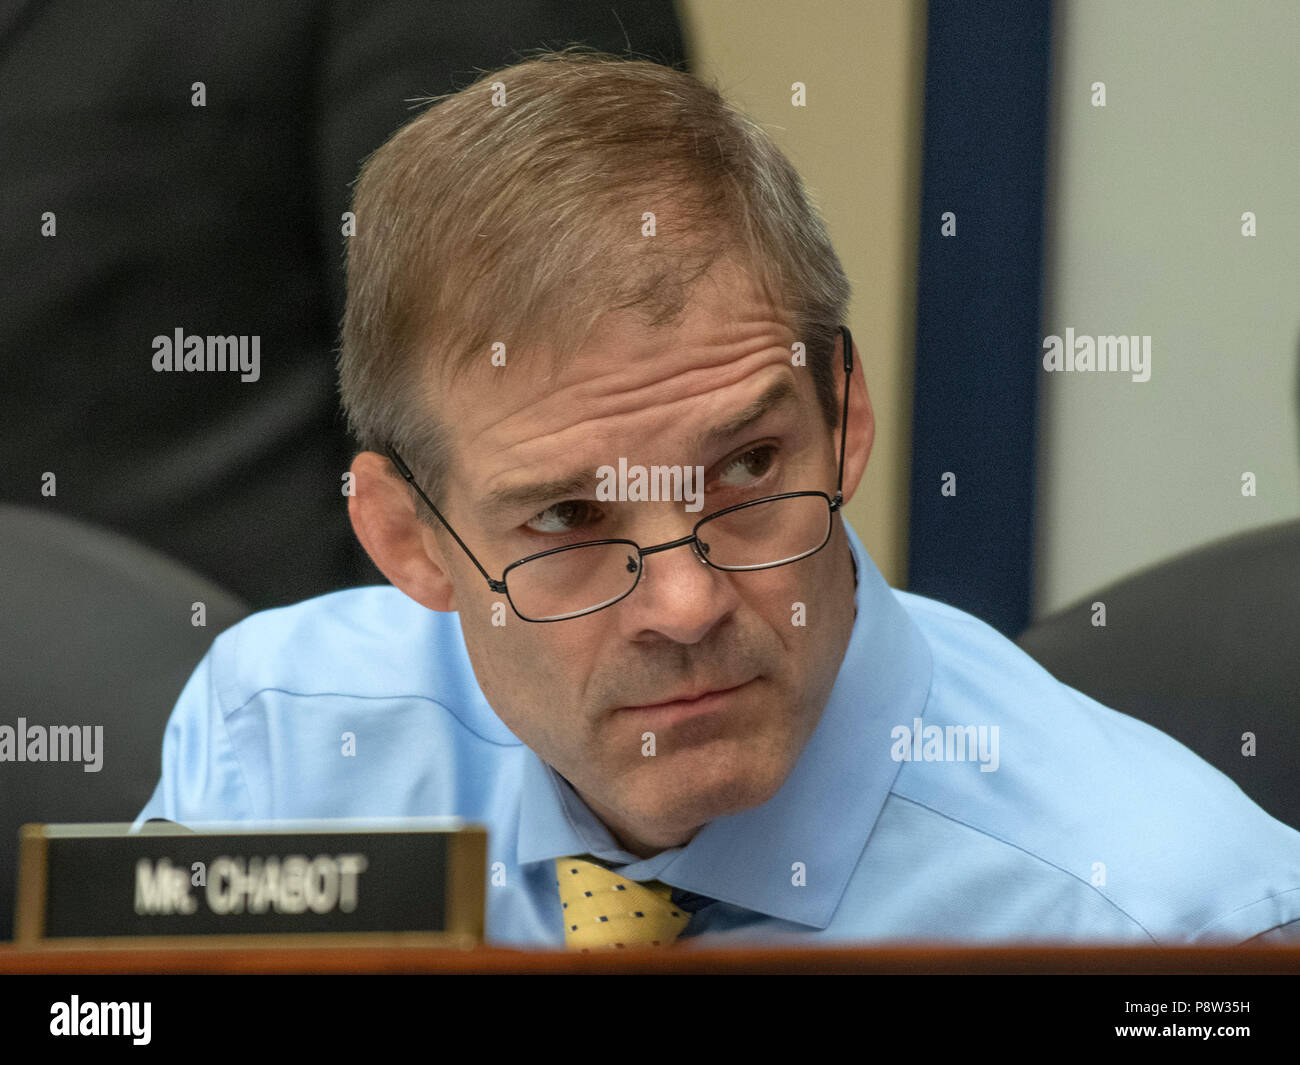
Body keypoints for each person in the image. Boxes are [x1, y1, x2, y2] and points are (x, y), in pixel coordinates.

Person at [136, 48, 1300, 949]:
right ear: (409, 541)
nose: (687, 605)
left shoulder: (1167, 925)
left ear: (843, 417)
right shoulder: (280, 750)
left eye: (744, 471)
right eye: (566, 522)